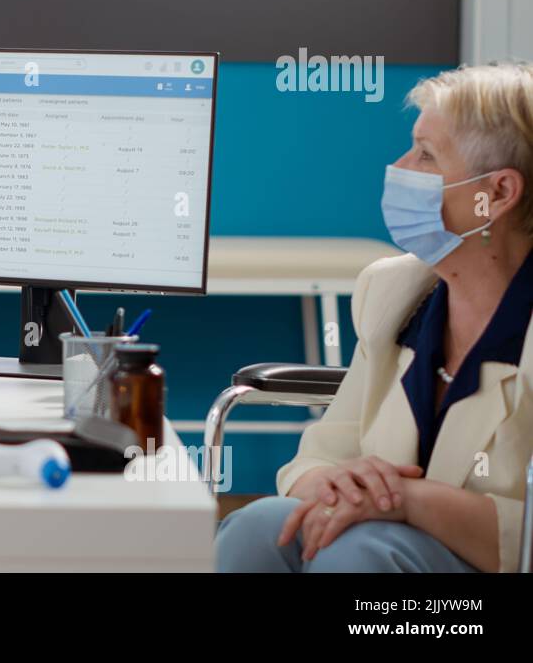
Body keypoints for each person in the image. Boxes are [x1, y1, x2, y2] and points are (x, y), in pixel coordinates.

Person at [216, 62, 533, 573]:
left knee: (359, 553)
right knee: (258, 528)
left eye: (426, 155)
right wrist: (335, 485)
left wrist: (403, 500)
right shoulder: (394, 292)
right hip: (382, 548)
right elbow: (319, 456)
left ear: (495, 194)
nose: (401, 166)